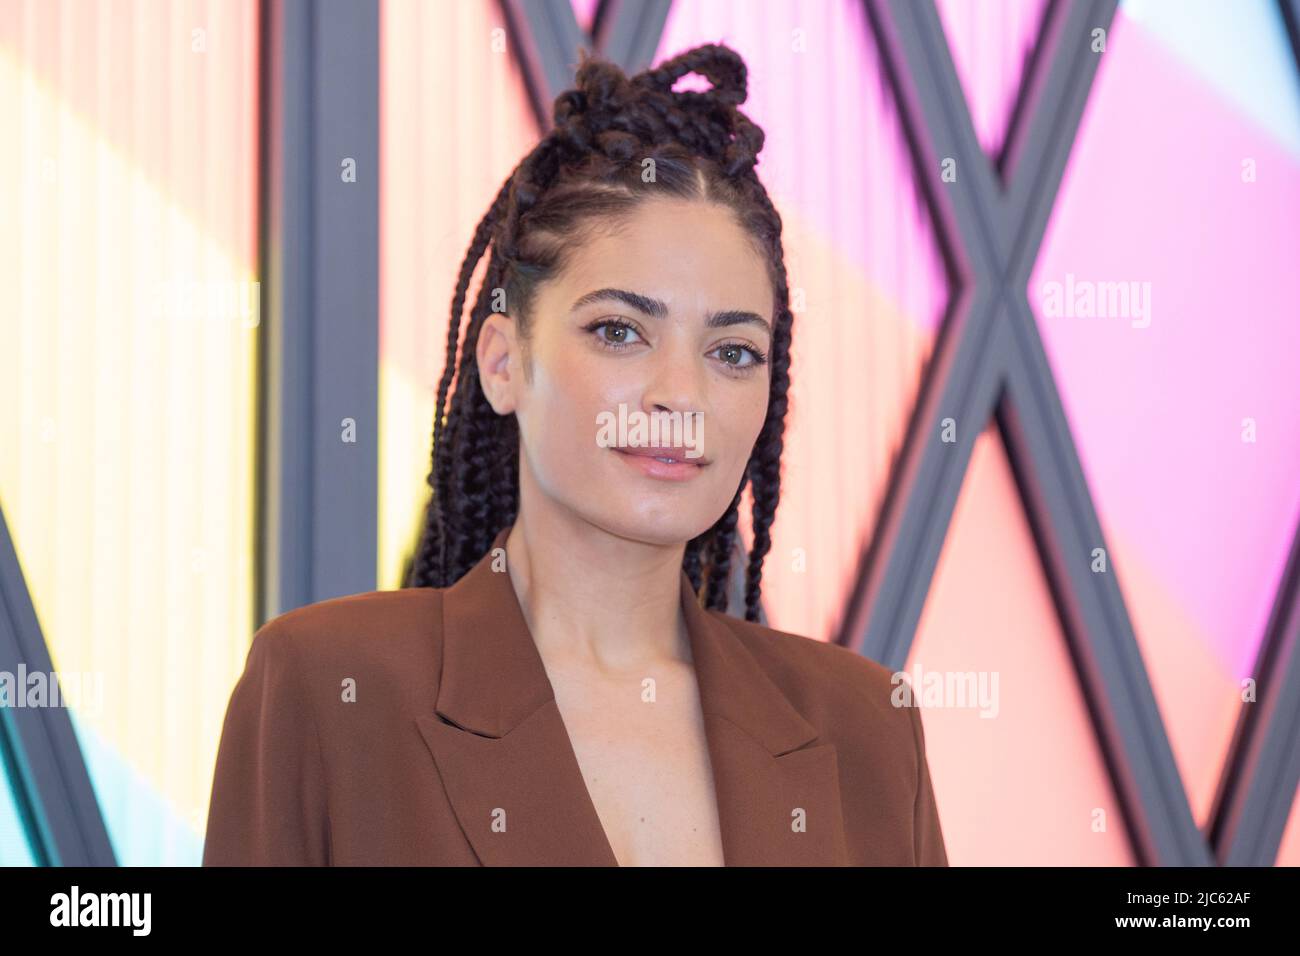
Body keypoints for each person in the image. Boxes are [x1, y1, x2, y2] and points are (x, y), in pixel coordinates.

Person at [203, 41, 948, 867]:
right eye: (619, 331)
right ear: (502, 362)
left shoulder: (867, 729)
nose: (680, 395)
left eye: (733, 351)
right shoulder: (328, 687)